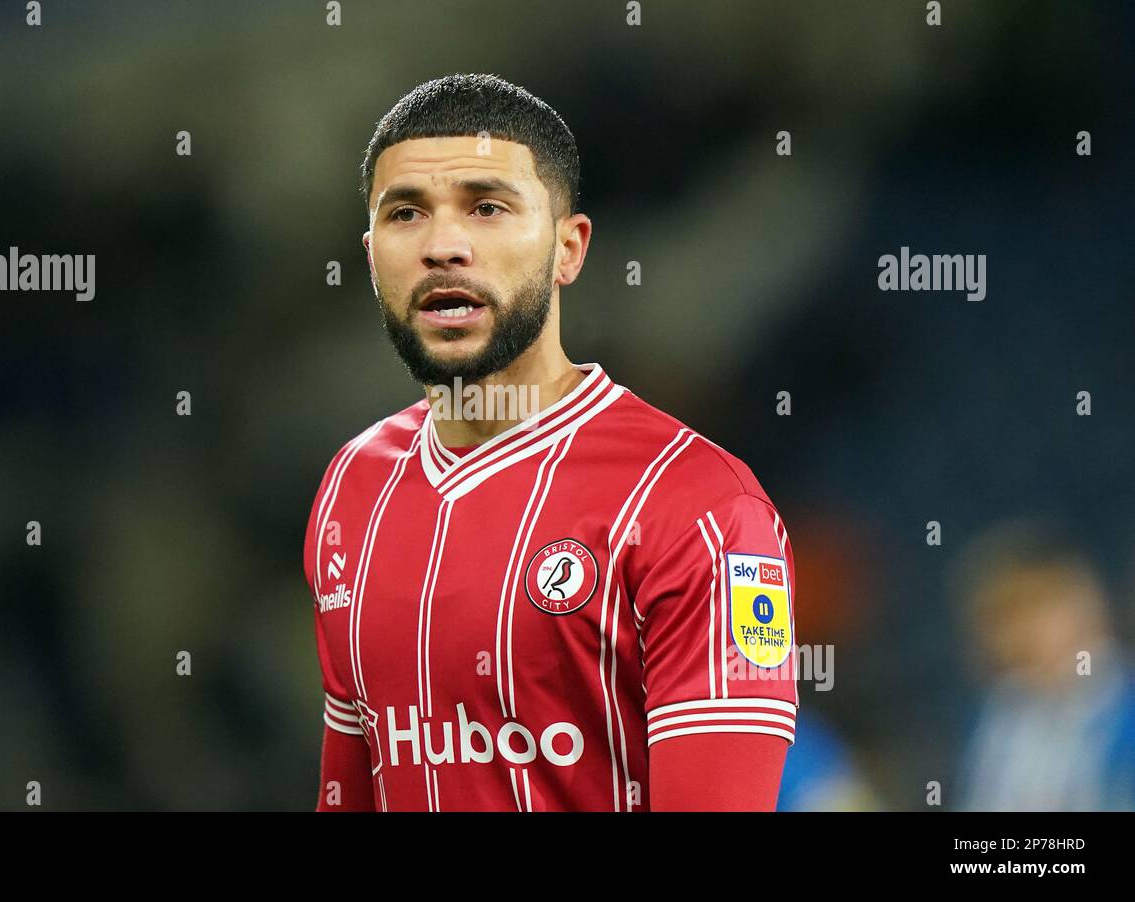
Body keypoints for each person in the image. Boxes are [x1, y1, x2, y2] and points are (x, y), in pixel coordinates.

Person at [304, 73, 798, 811]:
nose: (444, 245)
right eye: (407, 213)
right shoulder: (352, 486)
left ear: (569, 249)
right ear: (373, 256)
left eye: (487, 207)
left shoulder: (701, 508)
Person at [955, 520, 1135, 811]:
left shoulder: (1125, 713)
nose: (1015, 635)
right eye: (999, 619)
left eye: (1031, 609)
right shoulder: (1001, 715)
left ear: (1084, 602)